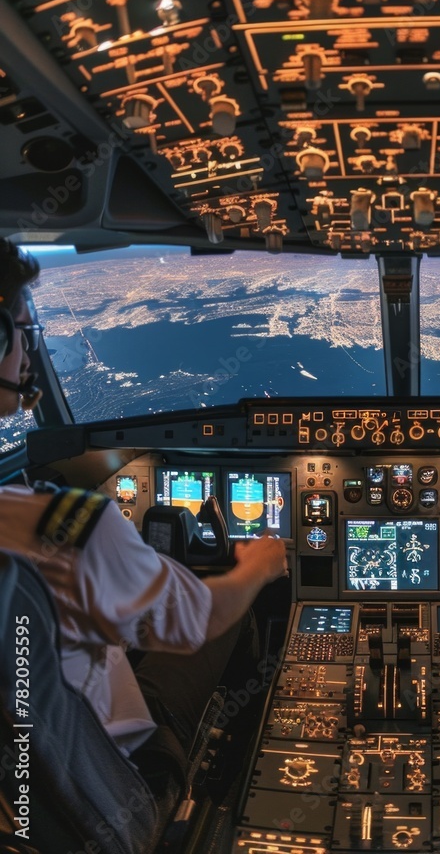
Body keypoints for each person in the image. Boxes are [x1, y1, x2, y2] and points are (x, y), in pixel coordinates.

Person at [0, 240, 288, 785]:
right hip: (110, 781)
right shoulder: (65, 529)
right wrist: (259, 566)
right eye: (21, 333)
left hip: (27, 807)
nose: (29, 352)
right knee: (232, 606)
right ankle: (232, 751)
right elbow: (199, 617)